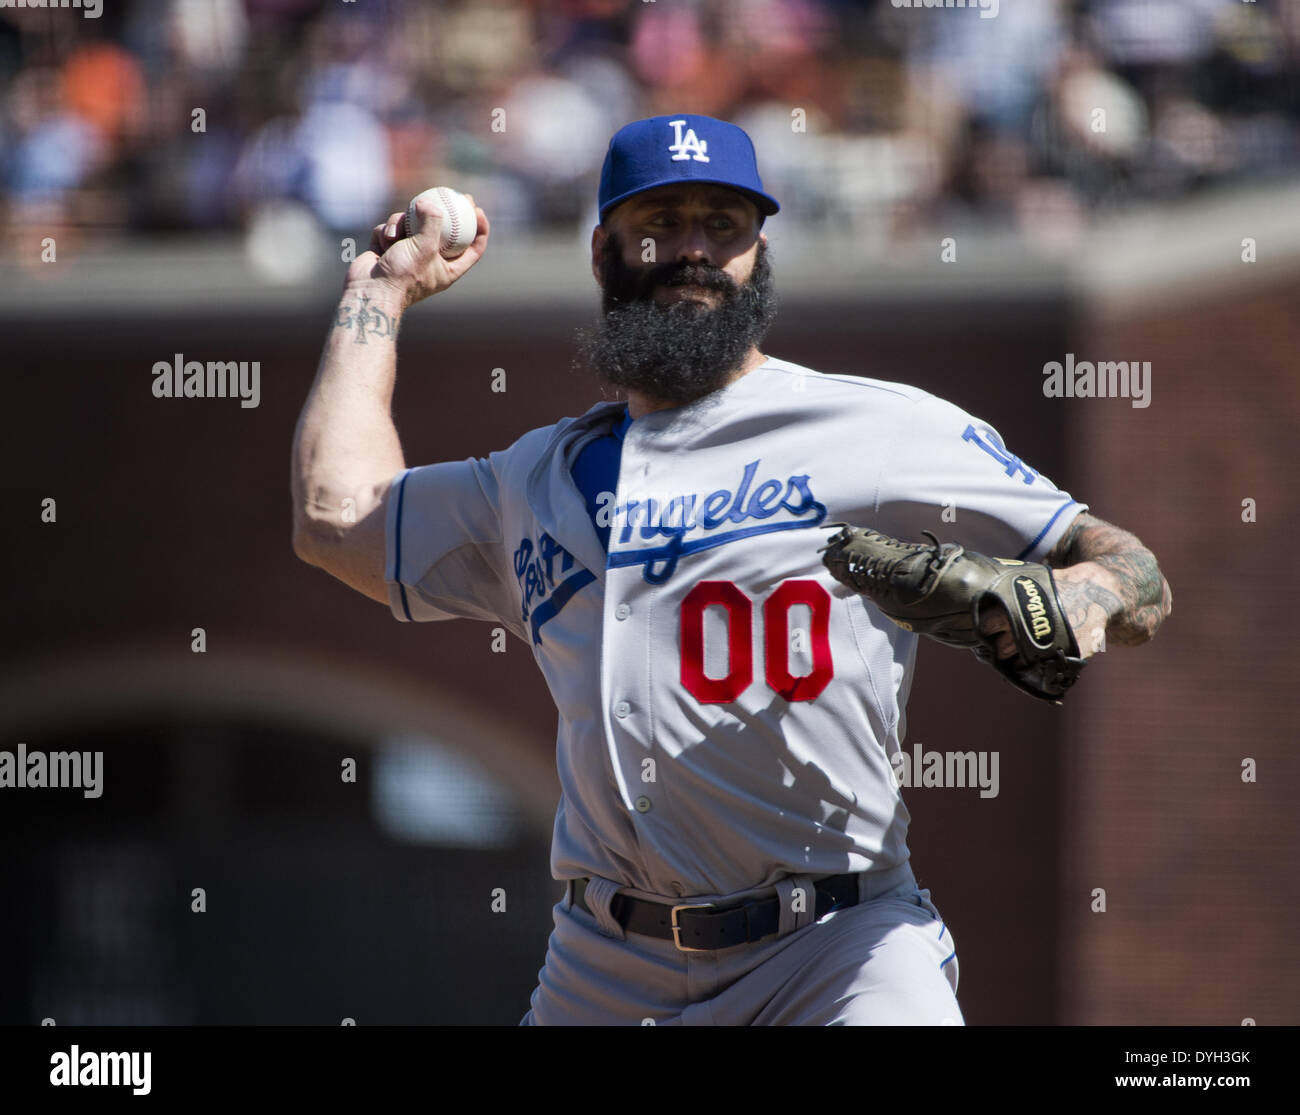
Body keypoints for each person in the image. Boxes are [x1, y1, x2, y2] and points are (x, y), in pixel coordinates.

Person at [290, 114, 1171, 1025]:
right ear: (604, 253)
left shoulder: (875, 429)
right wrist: (380, 292)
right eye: (660, 223)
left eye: (724, 225)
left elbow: (1134, 568)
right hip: (606, 963)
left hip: (838, 946)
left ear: (760, 249)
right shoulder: (534, 479)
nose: (694, 251)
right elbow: (334, 518)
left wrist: (1082, 595)